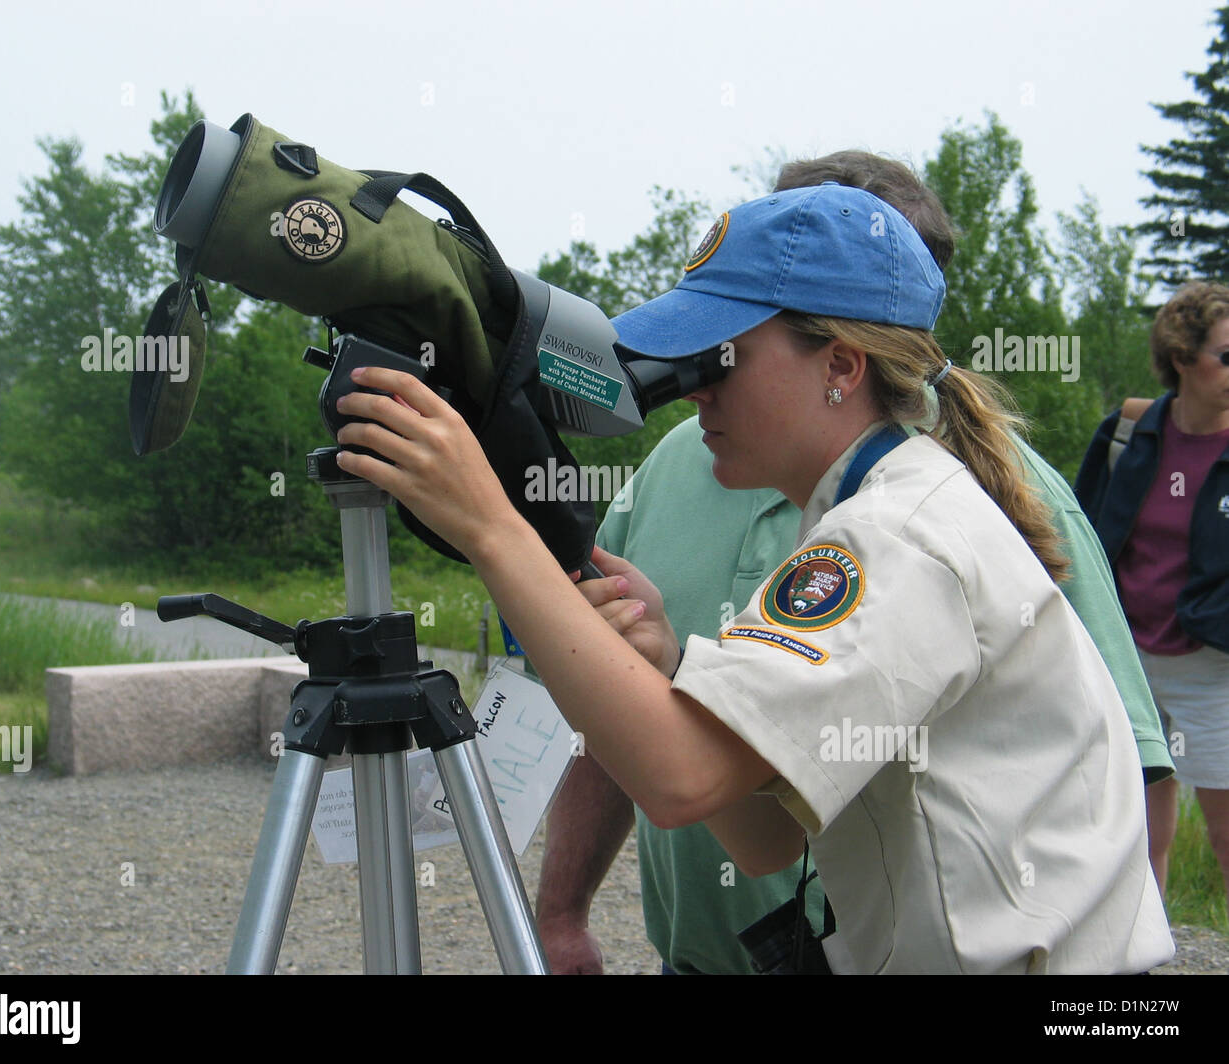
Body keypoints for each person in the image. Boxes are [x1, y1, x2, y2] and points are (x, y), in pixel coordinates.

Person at [333, 183, 1174, 972]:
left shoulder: (896, 537)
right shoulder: (877, 508)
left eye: (718, 357)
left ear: (841, 367)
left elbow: (676, 777)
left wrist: (489, 525)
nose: (694, 388)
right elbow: (765, 837)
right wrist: (665, 670)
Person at [1076, 281, 1229, 901]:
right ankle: (1147, 948)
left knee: (1225, 832)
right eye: (1227, 355)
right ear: (1184, 357)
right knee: (1138, 823)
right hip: (1127, 656)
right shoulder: (1131, 432)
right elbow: (1077, 528)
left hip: (1210, 664)